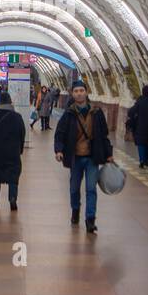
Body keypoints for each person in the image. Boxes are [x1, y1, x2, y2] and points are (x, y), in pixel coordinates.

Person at [53, 79, 113, 233]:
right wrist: (59, 150)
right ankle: (75, 211)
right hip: (75, 158)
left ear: (86, 92)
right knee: (74, 189)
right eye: (76, 91)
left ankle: (90, 219)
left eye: (81, 90)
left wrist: (109, 154)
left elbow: (104, 135)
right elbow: (60, 134)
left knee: (91, 189)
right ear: (72, 94)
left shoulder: (97, 113)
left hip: (92, 157)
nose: (79, 93)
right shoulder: (69, 114)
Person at [126, 84, 148, 168]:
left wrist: (134, 117)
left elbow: (131, 112)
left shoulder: (140, 102)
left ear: (142, 92)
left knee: (141, 144)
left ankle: (142, 160)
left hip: (140, 127)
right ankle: (146, 160)